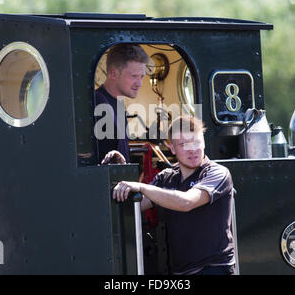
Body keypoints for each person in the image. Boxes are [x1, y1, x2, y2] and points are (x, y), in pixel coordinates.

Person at [113, 116, 235, 275]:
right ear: (172, 148)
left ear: (204, 142)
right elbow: (136, 206)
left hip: (214, 268)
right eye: (184, 144)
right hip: (180, 272)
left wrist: (141, 186)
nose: (192, 150)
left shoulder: (217, 173)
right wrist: (115, 170)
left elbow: (186, 202)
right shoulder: (166, 177)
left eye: (196, 142)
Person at [94, 43, 149, 164]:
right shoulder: (97, 103)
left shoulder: (118, 103)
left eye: (142, 77)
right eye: (134, 76)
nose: (139, 83)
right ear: (113, 74)